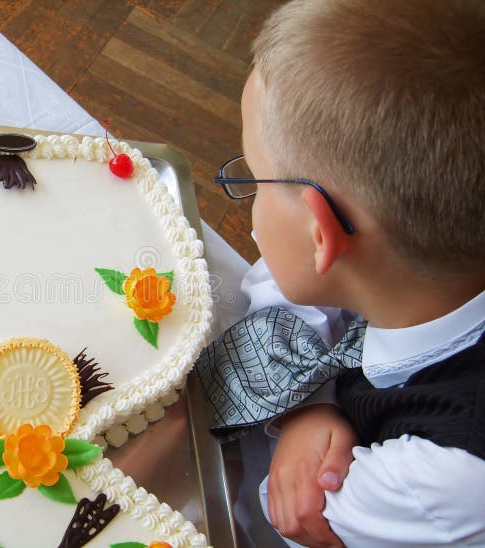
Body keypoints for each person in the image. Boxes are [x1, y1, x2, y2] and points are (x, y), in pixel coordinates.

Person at [199, 0, 485, 546]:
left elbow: (294, 514)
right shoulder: (432, 250)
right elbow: (298, 279)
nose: (251, 201)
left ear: (320, 232)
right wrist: (309, 402)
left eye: (254, 180)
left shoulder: (439, 480)